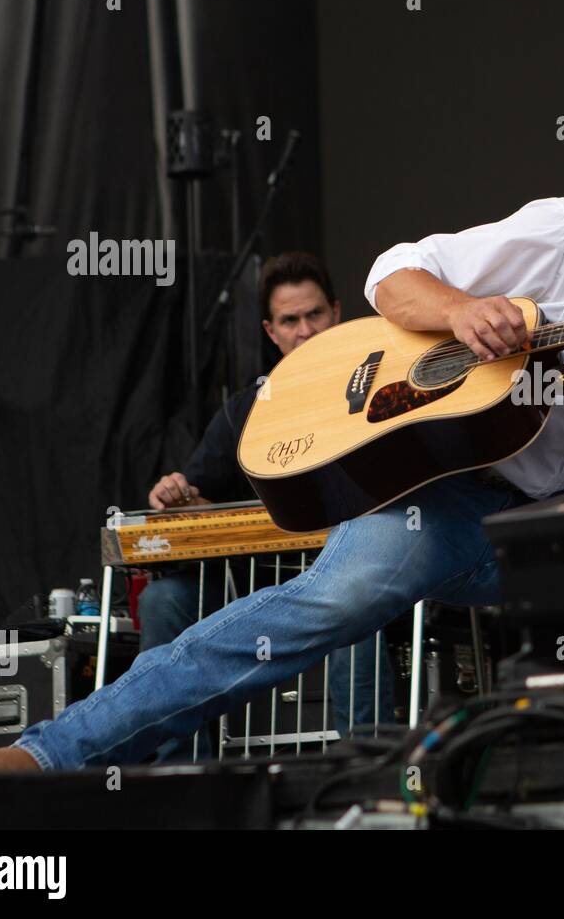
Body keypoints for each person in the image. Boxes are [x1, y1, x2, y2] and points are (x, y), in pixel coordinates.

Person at [0, 84, 564, 775]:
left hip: (554, 520)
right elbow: (394, 273)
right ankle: (52, 753)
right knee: (320, 607)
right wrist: (461, 314)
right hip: (436, 492)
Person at [138, 251, 395, 760]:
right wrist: (177, 495)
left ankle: (368, 778)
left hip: (356, 574)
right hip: (258, 581)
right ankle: (183, 782)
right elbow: (196, 495)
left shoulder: (383, 384)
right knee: (161, 603)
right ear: (270, 331)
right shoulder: (244, 411)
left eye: (315, 314)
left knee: (356, 607)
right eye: (290, 320)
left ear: (337, 314)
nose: (305, 330)